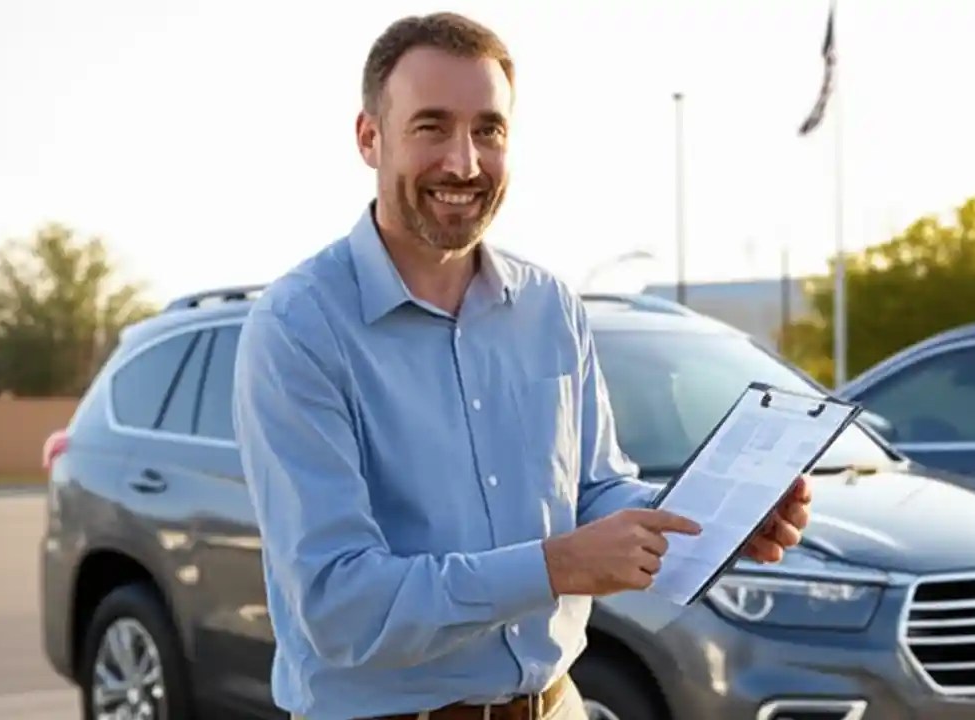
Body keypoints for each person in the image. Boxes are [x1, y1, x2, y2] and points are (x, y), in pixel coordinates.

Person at [231, 11, 813, 720]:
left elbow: (595, 491)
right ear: (369, 138)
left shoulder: (551, 309)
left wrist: (707, 522)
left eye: (489, 130)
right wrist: (557, 566)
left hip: (558, 705)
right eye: (431, 126)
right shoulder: (298, 329)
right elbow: (339, 605)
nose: (464, 162)